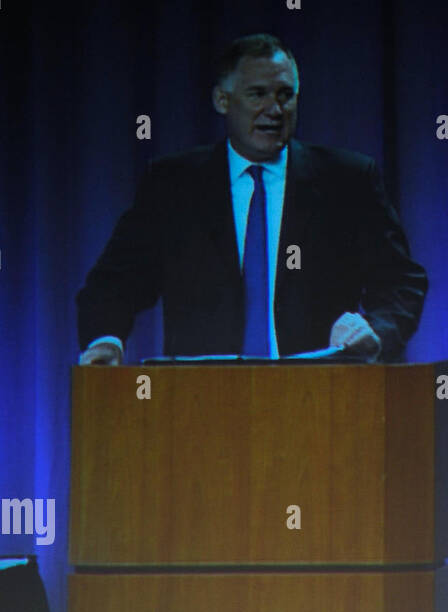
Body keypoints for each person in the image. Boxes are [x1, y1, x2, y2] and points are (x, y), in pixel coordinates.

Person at [77, 33, 427, 364]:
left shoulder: (348, 181)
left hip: (322, 398)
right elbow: (114, 283)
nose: (274, 109)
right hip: (200, 404)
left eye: (285, 95)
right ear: (222, 100)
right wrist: (105, 340)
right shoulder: (172, 185)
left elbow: (401, 282)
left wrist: (376, 331)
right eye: (257, 94)